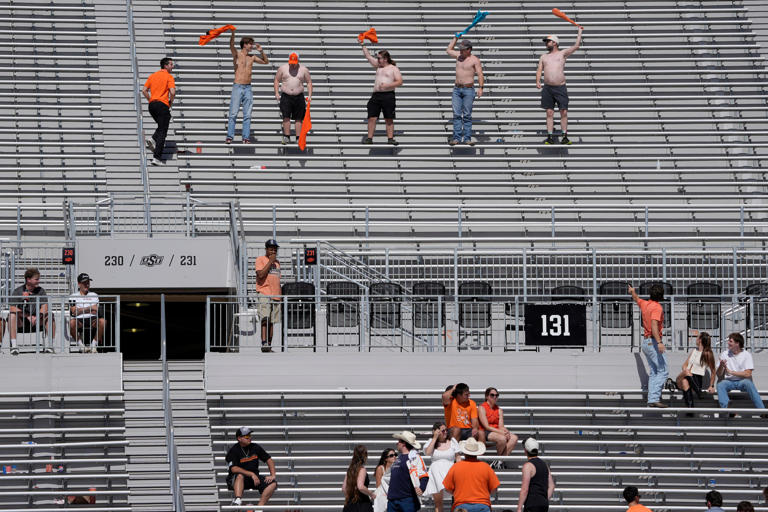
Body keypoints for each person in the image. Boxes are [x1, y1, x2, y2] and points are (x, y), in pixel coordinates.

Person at [535, 28, 582, 145]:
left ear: (554, 43)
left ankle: (564, 136)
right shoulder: (543, 56)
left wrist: (579, 32)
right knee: (549, 113)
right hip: (548, 88)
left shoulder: (562, 53)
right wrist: (537, 80)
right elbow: (539, 69)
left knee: (564, 112)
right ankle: (550, 136)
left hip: (560, 87)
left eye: (548, 41)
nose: (546, 43)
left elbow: (576, 46)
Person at [629, 284, 668, 408]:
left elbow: (636, 299)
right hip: (653, 342)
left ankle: (652, 398)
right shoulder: (657, 308)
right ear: (661, 295)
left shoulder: (645, 304)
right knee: (663, 371)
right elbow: (654, 326)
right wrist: (660, 342)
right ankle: (654, 398)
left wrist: (632, 291)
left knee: (654, 371)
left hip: (646, 342)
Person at [227, 29, 269, 144]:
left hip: (248, 87)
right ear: (245, 45)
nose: (252, 46)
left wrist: (261, 51)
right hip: (238, 86)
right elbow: (231, 45)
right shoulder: (237, 54)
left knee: (247, 115)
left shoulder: (252, 57)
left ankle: (245, 137)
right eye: (250, 44)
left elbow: (266, 62)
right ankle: (230, 136)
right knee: (233, 113)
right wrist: (233, 34)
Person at [360, 42, 403, 145]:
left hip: (388, 95)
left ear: (385, 59)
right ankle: (369, 138)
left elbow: (400, 81)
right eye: (378, 58)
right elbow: (368, 56)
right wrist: (362, 45)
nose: (378, 60)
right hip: (376, 95)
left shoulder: (393, 68)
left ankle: (390, 138)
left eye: (379, 58)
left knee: (388, 118)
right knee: (372, 117)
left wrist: (387, 86)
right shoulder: (378, 66)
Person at [442, 437, 500, 512]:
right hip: (482, 505)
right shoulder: (486, 467)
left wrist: (458, 493)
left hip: (461, 505)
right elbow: (494, 489)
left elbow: (447, 488)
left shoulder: (456, 467)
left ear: (465, 452)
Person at [225, 427, 277, 507]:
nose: (249, 437)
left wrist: (272, 475)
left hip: (254, 478)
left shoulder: (255, 447)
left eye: (250, 435)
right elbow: (234, 469)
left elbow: (269, 459)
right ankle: (238, 500)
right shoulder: (234, 450)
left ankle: (259, 507)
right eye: (246, 436)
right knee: (240, 476)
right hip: (237, 480)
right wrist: (251, 474)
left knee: (272, 484)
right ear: (239, 438)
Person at [446, 38, 484, 146]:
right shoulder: (459, 56)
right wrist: (455, 38)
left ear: (469, 49)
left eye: (463, 49)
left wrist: (481, 87)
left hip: (468, 89)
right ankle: (457, 138)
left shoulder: (474, 60)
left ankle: (467, 138)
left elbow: (480, 74)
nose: (461, 51)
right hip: (457, 89)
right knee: (456, 114)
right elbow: (448, 50)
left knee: (467, 114)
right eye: (461, 49)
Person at [8, 267, 54, 355]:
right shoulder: (18, 291)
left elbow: (45, 307)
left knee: (50, 315)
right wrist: (27, 316)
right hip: (22, 321)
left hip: (37, 320)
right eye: (36, 279)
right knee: (12, 315)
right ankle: (14, 347)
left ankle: (50, 345)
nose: (38, 281)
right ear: (28, 280)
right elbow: (12, 308)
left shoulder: (41, 291)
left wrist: (37, 316)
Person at [716, 332, 766, 410]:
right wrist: (721, 366)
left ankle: (762, 411)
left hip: (742, 381)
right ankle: (728, 410)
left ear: (737, 344)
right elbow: (719, 374)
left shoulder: (746, 355)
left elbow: (748, 374)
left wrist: (731, 372)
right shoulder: (724, 354)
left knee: (748, 383)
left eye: (730, 341)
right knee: (720, 385)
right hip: (729, 382)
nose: (728, 343)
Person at [142, 57, 176, 165]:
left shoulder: (153, 76)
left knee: (162, 126)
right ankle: (157, 158)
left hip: (152, 106)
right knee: (163, 131)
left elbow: (144, 90)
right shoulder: (169, 77)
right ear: (165, 66)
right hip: (162, 105)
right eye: (171, 64)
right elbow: (173, 92)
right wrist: (170, 102)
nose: (172, 66)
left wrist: (150, 100)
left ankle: (152, 140)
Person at [274, 52, 312, 145]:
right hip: (286, 95)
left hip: (298, 96)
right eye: (291, 62)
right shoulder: (283, 68)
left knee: (298, 118)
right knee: (286, 116)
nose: (293, 64)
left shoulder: (304, 69)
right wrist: (276, 93)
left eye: (294, 63)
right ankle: (287, 136)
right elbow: (276, 80)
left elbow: (309, 82)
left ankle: (298, 137)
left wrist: (310, 95)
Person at [478, 387, 519, 468]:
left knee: (514, 438)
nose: (495, 397)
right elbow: (486, 426)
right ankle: (498, 461)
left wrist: (506, 431)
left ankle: (499, 461)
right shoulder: (482, 407)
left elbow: (501, 426)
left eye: (496, 395)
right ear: (487, 396)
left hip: (496, 431)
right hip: (485, 432)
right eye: (492, 395)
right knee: (502, 439)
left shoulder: (499, 410)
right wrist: (501, 432)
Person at [387, 430, 428, 512]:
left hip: (407, 499)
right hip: (393, 499)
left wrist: (421, 488)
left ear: (404, 443)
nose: (397, 443)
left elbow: (424, 475)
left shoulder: (415, 458)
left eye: (399, 441)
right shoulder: (398, 458)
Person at [423, 421, 459, 512]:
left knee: (457, 500)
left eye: (446, 430)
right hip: (435, 474)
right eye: (443, 431)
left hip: (450, 473)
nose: (445, 432)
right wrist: (434, 438)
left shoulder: (452, 441)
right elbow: (427, 452)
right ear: (436, 431)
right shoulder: (431, 442)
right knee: (438, 503)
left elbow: (458, 458)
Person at [675, 332, 716, 410]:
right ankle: (699, 393)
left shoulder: (708, 353)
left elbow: (713, 371)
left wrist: (711, 385)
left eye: (697, 337)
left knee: (685, 382)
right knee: (686, 374)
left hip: (695, 380)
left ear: (700, 340)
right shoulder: (694, 351)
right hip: (683, 376)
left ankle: (690, 409)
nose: (696, 339)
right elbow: (684, 365)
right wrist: (686, 371)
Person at [254, 239, 281, 352]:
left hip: (276, 295)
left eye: (275, 249)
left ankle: (269, 345)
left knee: (272, 322)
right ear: (266, 249)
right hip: (264, 292)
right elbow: (260, 275)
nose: (273, 251)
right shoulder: (260, 259)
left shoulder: (277, 263)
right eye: (271, 249)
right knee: (265, 318)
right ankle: (263, 343)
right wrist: (270, 262)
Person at [68, 273, 105, 354]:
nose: (87, 284)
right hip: (79, 319)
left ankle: (93, 345)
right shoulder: (72, 296)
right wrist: (89, 308)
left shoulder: (94, 295)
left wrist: (80, 310)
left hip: (93, 319)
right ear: (79, 284)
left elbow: (95, 310)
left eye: (88, 282)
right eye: (84, 283)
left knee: (103, 321)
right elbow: (74, 312)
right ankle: (81, 346)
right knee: (71, 323)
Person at [516, 438, 554, 512]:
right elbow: (552, 486)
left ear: (525, 451)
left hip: (532, 504)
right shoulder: (544, 465)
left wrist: (519, 508)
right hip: (544, 505)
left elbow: (525, 489)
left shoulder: (528, 466)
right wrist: (545, 499)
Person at [342, 444, 376, 512]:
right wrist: (371, 494)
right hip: (362, 505)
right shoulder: (362, 469)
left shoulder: (350, 469)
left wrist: (351, 496)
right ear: (364, 455)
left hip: (350, 505)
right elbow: (360, 486)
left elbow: (344, 488)